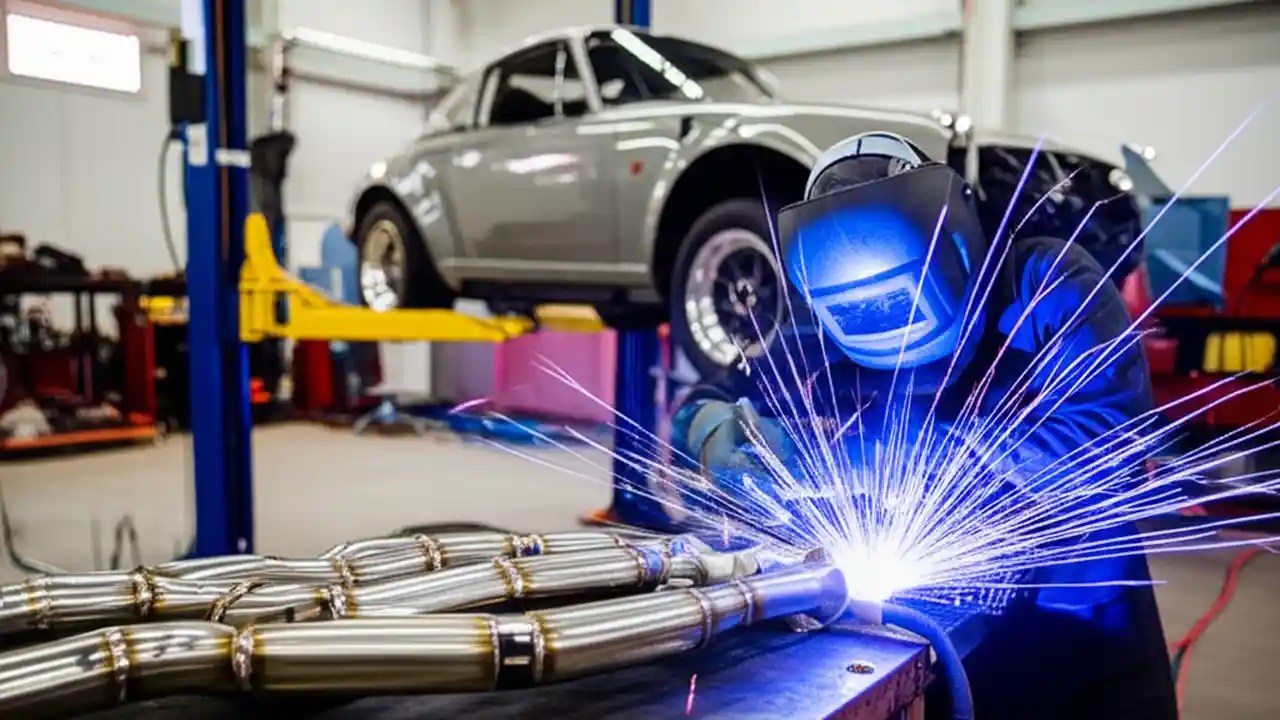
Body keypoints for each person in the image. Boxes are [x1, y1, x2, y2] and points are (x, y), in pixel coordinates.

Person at [671, 132, 1178, 719]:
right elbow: (716, 393)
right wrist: (703, 427)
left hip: (1079, 641)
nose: (911, 369)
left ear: (957, 258)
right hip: (933, 640)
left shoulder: (1047, 284)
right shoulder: (831, 314)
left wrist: (882, 457)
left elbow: (1109, 441)